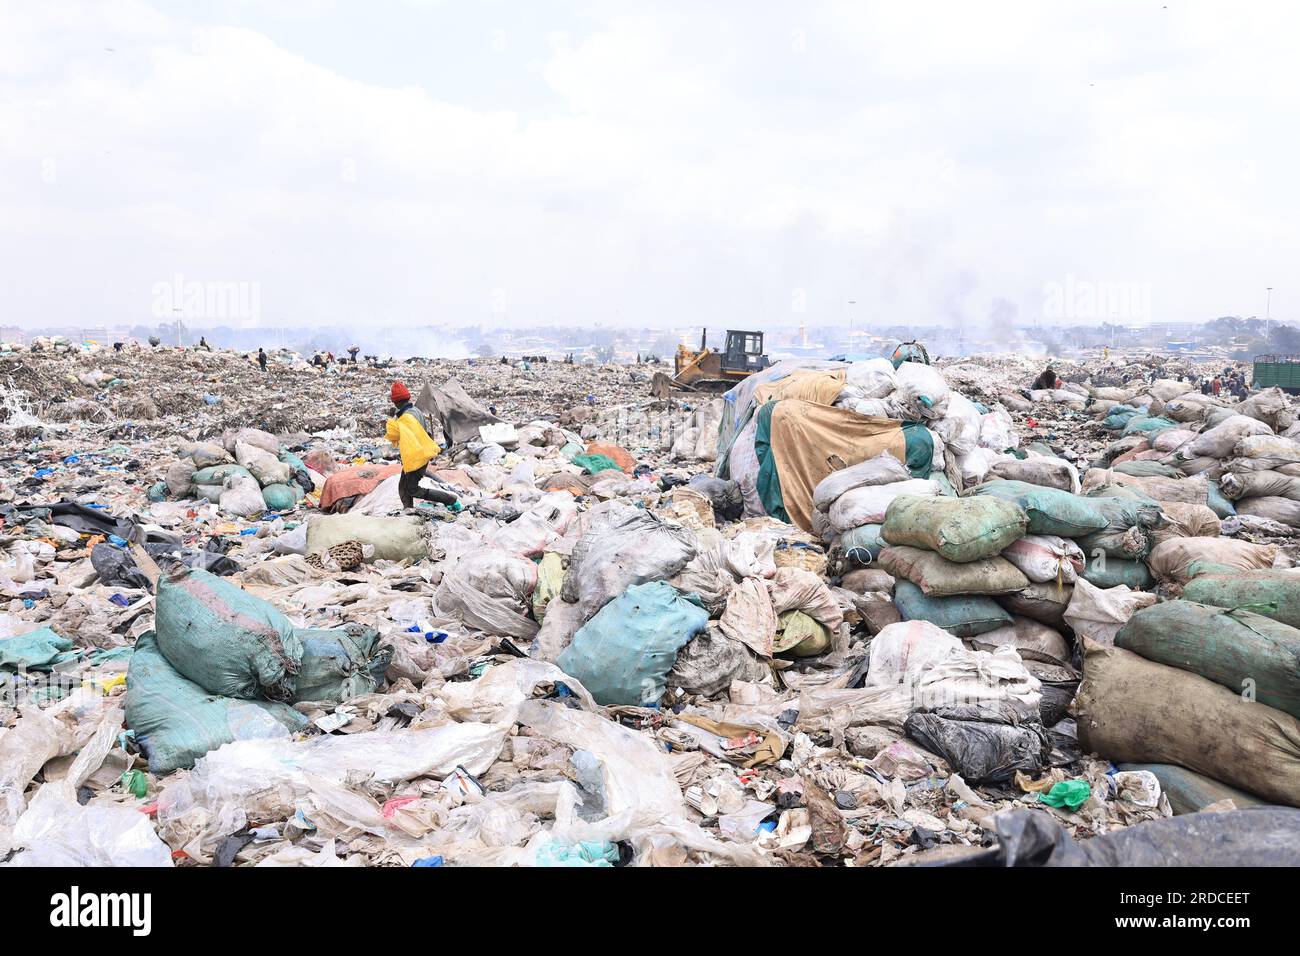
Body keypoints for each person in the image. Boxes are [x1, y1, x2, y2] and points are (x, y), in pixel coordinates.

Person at [385, 381, 458, 511]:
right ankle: (408, 511)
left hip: (416, 458)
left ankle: (449, 499)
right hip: (416, 457)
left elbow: (408, 439)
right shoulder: (415, 411)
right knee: (404, 487)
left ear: (395, 402)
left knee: (412, 489)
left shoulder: (407, 418)